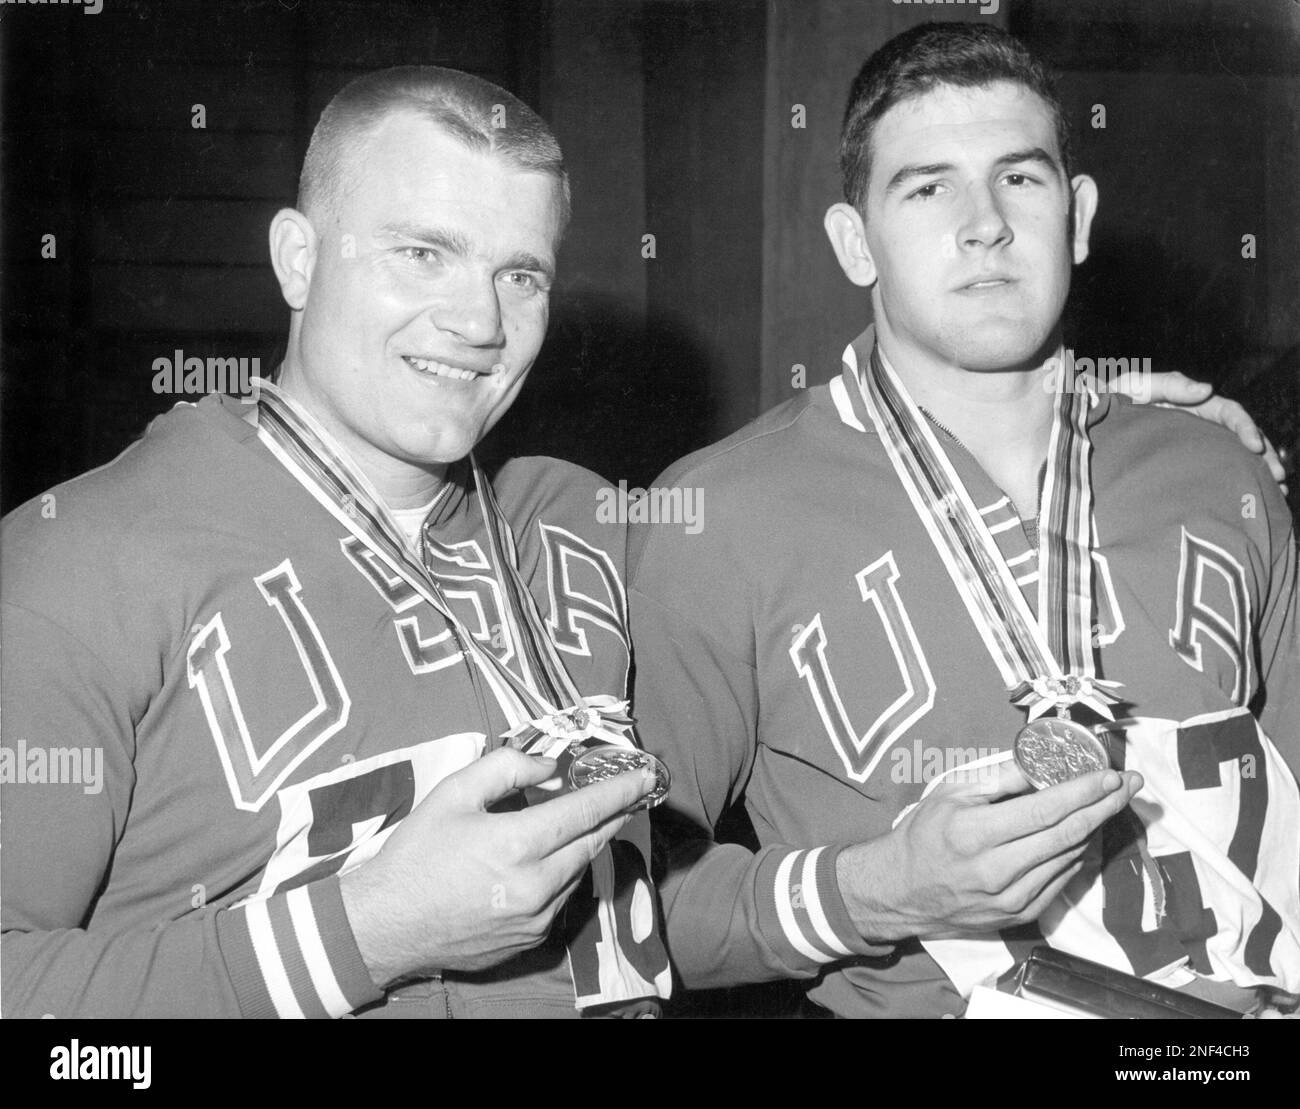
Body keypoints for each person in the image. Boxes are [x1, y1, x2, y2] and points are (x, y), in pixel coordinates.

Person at [631, 22, 1299, 1018]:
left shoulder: (1215, 469)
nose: (984, 222)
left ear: (1075, 217)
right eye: (927, 185)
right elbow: (639, 907)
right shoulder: (711, 518)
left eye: (1019, 178)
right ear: (854, 241)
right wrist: (877, 887)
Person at [0, 67, 671, 1018]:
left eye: (520, 274)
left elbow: (662, 898)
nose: (481, 323)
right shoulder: (72, 565)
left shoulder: (574, 527)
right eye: (421, 253)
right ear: (299, 260)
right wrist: (371, 930)